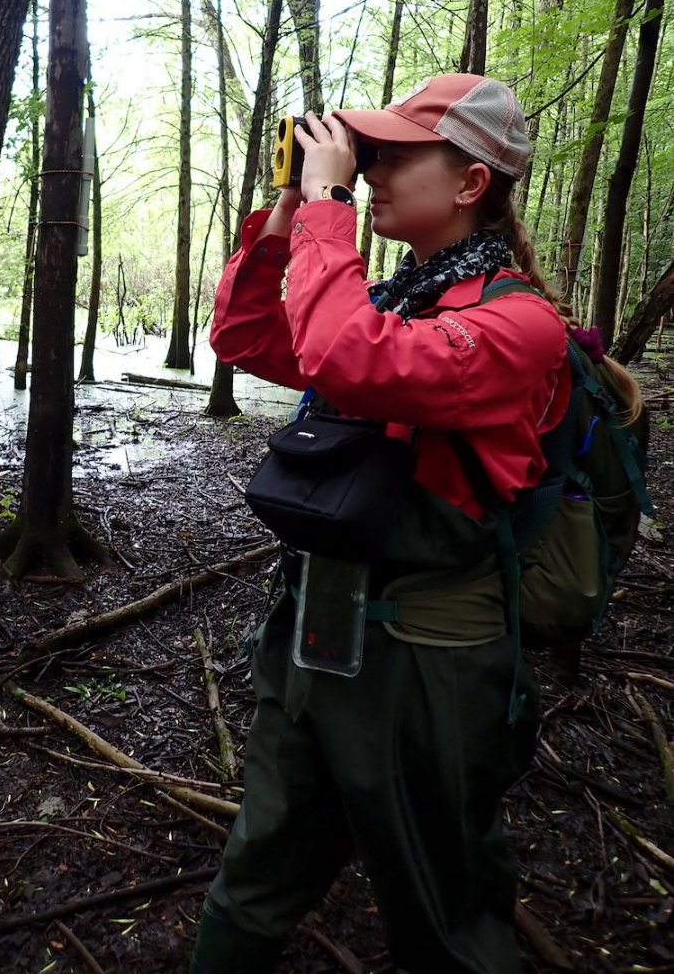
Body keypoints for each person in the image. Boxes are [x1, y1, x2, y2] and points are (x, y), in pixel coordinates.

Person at [189, 73, 640, 974]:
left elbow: (347, 358)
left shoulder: (520, 328)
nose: (374, 171)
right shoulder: (392, 301)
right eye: (370, 154)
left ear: (471, 183)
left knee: (444, 915)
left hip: (426, 661)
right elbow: (249, 337)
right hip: (316, 637)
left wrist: (329, 204)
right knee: (255, 875)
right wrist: (290, 210)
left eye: (397, 155)